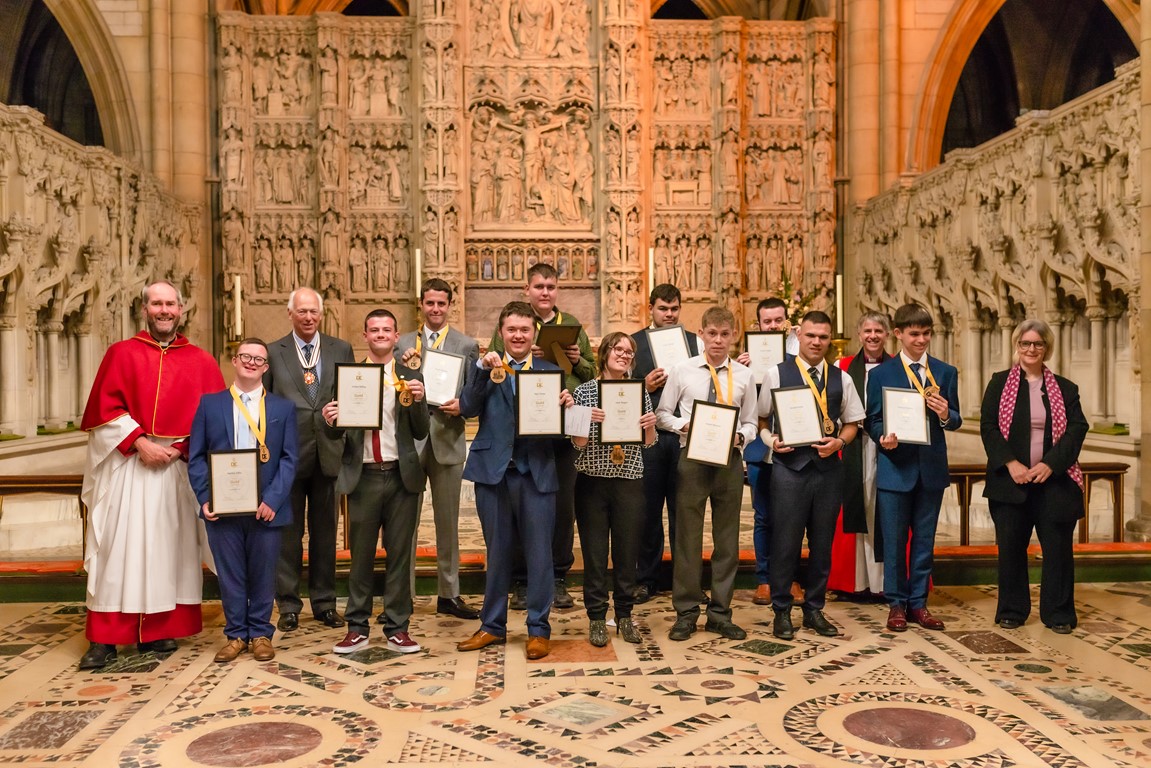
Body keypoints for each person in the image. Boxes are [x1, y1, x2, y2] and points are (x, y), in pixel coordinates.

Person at [78, 281, 225, 670]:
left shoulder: (201, 361)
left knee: (167, 551)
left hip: (175, 469)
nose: (164, 310)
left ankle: (159, 630)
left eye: (170, 304)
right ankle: (105, 639)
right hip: (130, 465)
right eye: (157, 304)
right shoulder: (121, 354)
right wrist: (140, 442)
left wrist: (177, 448)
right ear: (145, 309)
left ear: (182, 309)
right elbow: (103, 411)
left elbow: (214, 420)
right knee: (117, 552)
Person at [458, 301, 574, 660]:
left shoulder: (549, 371)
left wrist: (564, 410)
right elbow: (466, 407)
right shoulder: (487, 368)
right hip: (492, 473)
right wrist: (479, 368)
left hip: (535, 472)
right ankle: (492, 626)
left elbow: (560, 436)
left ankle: (538, 629)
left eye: (525, 330)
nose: (519, 335)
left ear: (534, 333)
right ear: (501, 332)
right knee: (498, 553)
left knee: (540, 555)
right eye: (512, 330)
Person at [322, 310, 430, 654]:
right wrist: (330, 420)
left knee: (399, 556)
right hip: (363, 476)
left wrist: (420, 397)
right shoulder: (351, 376)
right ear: (365, 336)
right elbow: (335, 428)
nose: (381, 334)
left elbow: (420, 430)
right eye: (374, 330)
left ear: (397, 336)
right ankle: (357, 627)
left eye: (387, 329)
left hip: (402, 477)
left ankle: (398, 627)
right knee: (361, 557)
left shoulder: (408, 375)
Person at [488, 263, 594, 610]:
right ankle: (521, 580)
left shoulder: (570, 327)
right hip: (521, 431)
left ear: (557, 290)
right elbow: (495, 366)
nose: (545, 292)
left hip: (561, 429)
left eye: (551, 286)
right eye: (538, 286)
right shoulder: (513, 324)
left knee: (562, 508)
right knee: (520, 507)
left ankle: (559, 575)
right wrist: (518, 358)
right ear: (527, 290)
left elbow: (593, 372)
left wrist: (576, 361)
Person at [188, 339, 298, 663]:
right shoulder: (210, 405)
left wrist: (274, 499)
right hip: (223, 509)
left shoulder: (282, 408)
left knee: (264, 572)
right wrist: (206, 498)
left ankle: (261, 633)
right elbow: (195, 457)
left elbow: (290, 458)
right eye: (245, 356)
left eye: (258, 359)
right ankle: (236, 634)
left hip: (266, 508)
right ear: (235, 361)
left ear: (266, 368)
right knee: (231, 573)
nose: (251, 362)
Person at [759, 311, 864, 639]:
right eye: (810, 336)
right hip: (789, 470)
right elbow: (762, 420)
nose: (816, 342)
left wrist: (839, 443)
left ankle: (815, 609)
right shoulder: (776, 374)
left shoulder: (841, 378)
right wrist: (772, 442)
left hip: (828, 472)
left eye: (822, 337)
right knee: (785, 542)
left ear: (829, 339)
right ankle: (781, 611)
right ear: (798, 336)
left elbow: (853, 423)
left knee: (822, 544)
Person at [656, 306, 759, 641]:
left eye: (724, 334)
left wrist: (742, 436)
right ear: (700, 334)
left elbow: (751, 421)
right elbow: (661, 415)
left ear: (734, 336)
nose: (718, 340)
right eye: (711, 333)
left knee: (727, 541)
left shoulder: (744, 376)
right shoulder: (683, 370)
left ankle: (720, 612)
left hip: (729, 461)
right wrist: (683, 425)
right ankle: (686, 613)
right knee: (687, 539)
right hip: (692, 458)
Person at [980, 319, 1087, 634]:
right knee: (1011, 548)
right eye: (1025, 343)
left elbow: (1077, 428)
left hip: (1054, 483)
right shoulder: (999, 383)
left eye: (1037, 344)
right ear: (1017, 345)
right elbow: (988, 427)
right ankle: (1012, 610)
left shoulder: (1065, 388)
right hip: (1010, 482)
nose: (1031, 349)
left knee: (1057, 551)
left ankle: (1059, 613)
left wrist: (1051, 464)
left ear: (1046, 347)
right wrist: (1011, 463)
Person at [865, 303, 961, 632]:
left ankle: (919, 603)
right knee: (893, 540)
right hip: (896, 466)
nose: (921, 340)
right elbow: (873, 420)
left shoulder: (945, 373)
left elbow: (956, 420)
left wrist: (946, 413)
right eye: (914, 334)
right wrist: (882, 437)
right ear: (899, 334)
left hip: (931, 468)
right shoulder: (881, 374)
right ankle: (895, 603)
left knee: (924, 539)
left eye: (926, 334)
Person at [264, 287, 355, 633]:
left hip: (328, 450)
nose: (307, 317)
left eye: (313, 312)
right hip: (287, 456)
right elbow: (265, 403)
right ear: (290, 314)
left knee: (324, 533)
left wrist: (344, 412)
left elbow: (351, 397)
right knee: (287, 534)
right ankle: (287, 604)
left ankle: (324, 603)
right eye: (301, 311)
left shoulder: (340, 348)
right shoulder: (274, 352)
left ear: (321, 314)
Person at [396, 279, 481, 620]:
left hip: (447, 436)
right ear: (421, 304)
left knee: (448, 523)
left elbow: (474, 393)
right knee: (407, 524)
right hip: (410, 441)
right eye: (429, 303)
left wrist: (464, 405)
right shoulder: (403, 343)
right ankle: (404, 594)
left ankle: (449, 594)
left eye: (441, 304)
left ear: (450, 305)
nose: (435, 309)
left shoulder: (466, 344)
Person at [572, 332, 657, 646]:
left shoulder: (638, 391)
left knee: (627, 553)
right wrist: (586, 422)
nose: (624, 355)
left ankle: (624, 615)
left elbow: (648, 443)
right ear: (605, 352)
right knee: (595, 554)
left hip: (629, 480)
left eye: (629, 352)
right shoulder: (585, 392)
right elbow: (577, 445)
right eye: (618, 349)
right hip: (592, 482)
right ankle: (596, 618)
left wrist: (649, 425)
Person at [630, 284, 698, 603]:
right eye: (662, 309)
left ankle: (687, 582)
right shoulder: (635, 342)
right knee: (648, 510)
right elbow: (618, 386)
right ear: (651, 308)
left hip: (686, 435)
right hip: (650, 436)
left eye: (674, 309)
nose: (669, 315)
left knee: (685, 512)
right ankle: (647, 578)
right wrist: (643, 384)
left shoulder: (694, 342)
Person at [735, 296, 794, 606]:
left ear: (787, 323)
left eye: (778, 320)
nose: (773, 325)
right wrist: (744, 371)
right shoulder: (746, 362)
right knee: (763, 516)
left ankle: (789, 577)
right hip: (761, 448)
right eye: (767, 321)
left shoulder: (798, 357)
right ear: (757, 325)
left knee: (793, 517)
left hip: (793, 446)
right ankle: (763, 579)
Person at [828, 312, 892, 599]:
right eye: (867, 330)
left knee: (883, 510)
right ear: (859, 333)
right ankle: (853, 583)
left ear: (888, 334)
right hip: (852, 447)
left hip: (888, 448)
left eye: (879, 330)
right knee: (855, 510)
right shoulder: (842, 367)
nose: (873, 336)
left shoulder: (897, 367)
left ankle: (883, 584)